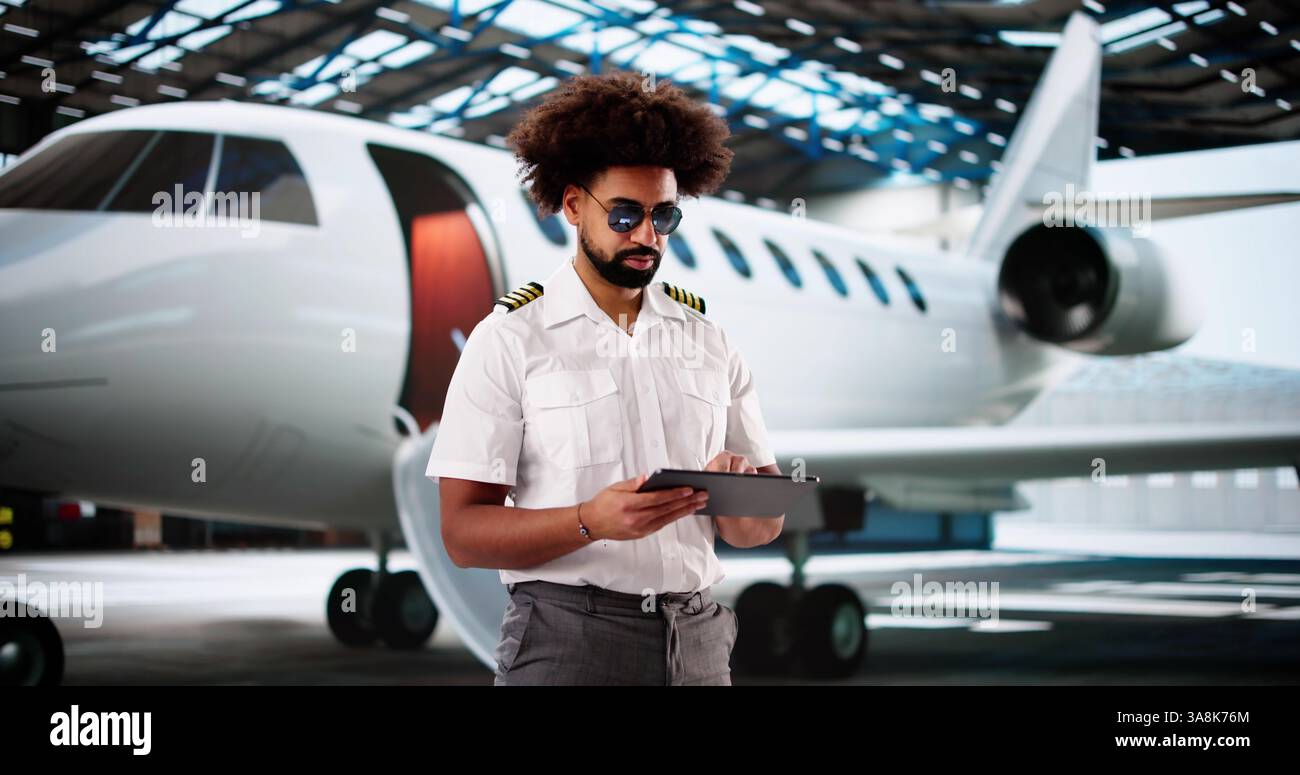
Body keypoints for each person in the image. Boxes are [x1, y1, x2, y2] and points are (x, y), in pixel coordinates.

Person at [425, 70, 783, 685]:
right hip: (569, 644)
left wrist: (740, 496)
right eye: (624, 216)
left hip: (698, 645)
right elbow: (463, 534)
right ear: (572, 206)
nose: (648, 236)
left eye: (664, 217)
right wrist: (589, 520)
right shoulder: (510, 338)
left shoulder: (708, 340)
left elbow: (757, 527)